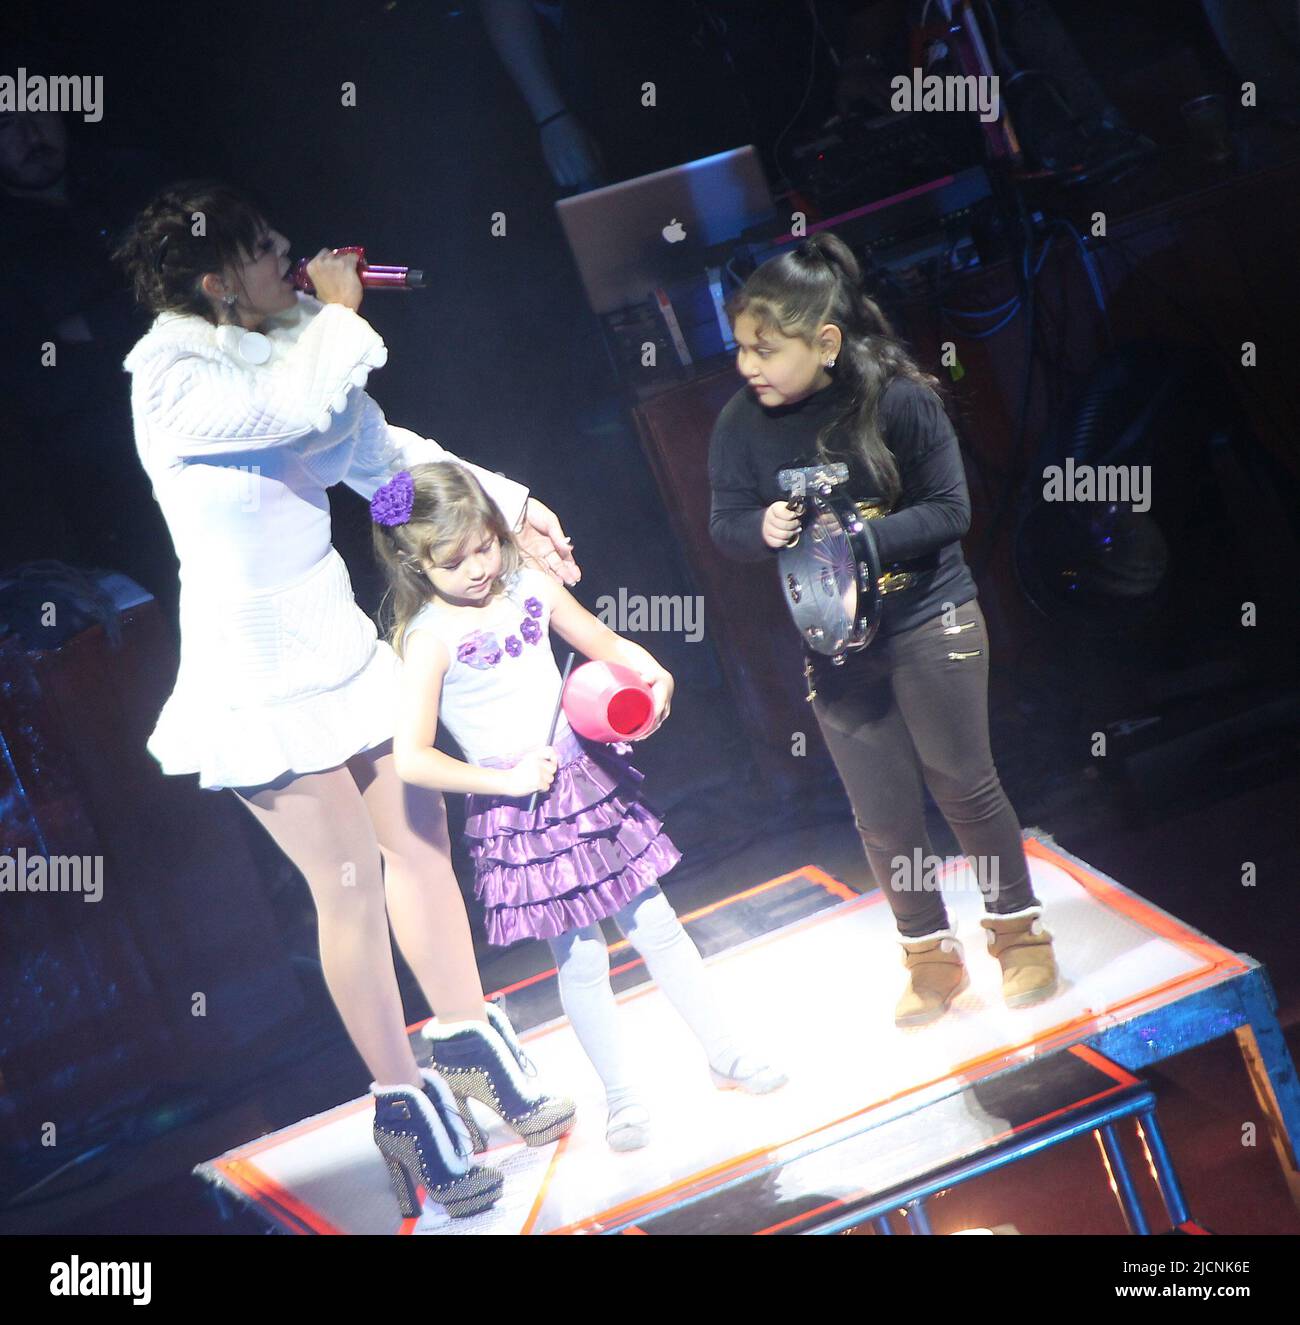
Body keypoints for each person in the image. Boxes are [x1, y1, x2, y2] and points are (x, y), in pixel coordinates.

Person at [115, 180, 580, 1220]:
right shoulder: (170, 376)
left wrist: (514, 506)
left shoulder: (291, 356)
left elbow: (383, 469)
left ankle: (470, 1046)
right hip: (255, 671)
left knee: (422, 849)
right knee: (349, 884)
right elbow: (293, 409)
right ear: (214, 279)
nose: (294, 260)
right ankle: (404, 1106)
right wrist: (334, 311)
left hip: (334, 640)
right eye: (271, 252)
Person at [374, 461, 787, 1151]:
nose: (478, 566)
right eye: (454, 560)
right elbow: (412, 757)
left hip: (584, 781)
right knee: (581, 956)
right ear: (416, 562)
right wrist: (504, 782)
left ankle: (726, 1051)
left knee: (656, 921)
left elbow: (603, 641)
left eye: (485, 545)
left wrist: (648, 670)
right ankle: (623, 1097)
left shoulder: (529, 587)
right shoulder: (427, 641)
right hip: (521, 811)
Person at [708, 231, 1059, 1027]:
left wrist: (854, 541)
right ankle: (929, 956)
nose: (748, 366)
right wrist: (760, 526)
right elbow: (724, 524)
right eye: (741, 349)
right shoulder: (740, 423)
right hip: (835, 644)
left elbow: (951, 512)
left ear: (825, 342)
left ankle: (1018, 934)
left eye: (767, 349)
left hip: (929, 614)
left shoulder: (897, 397)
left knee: (963, 784)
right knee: (883, 813)